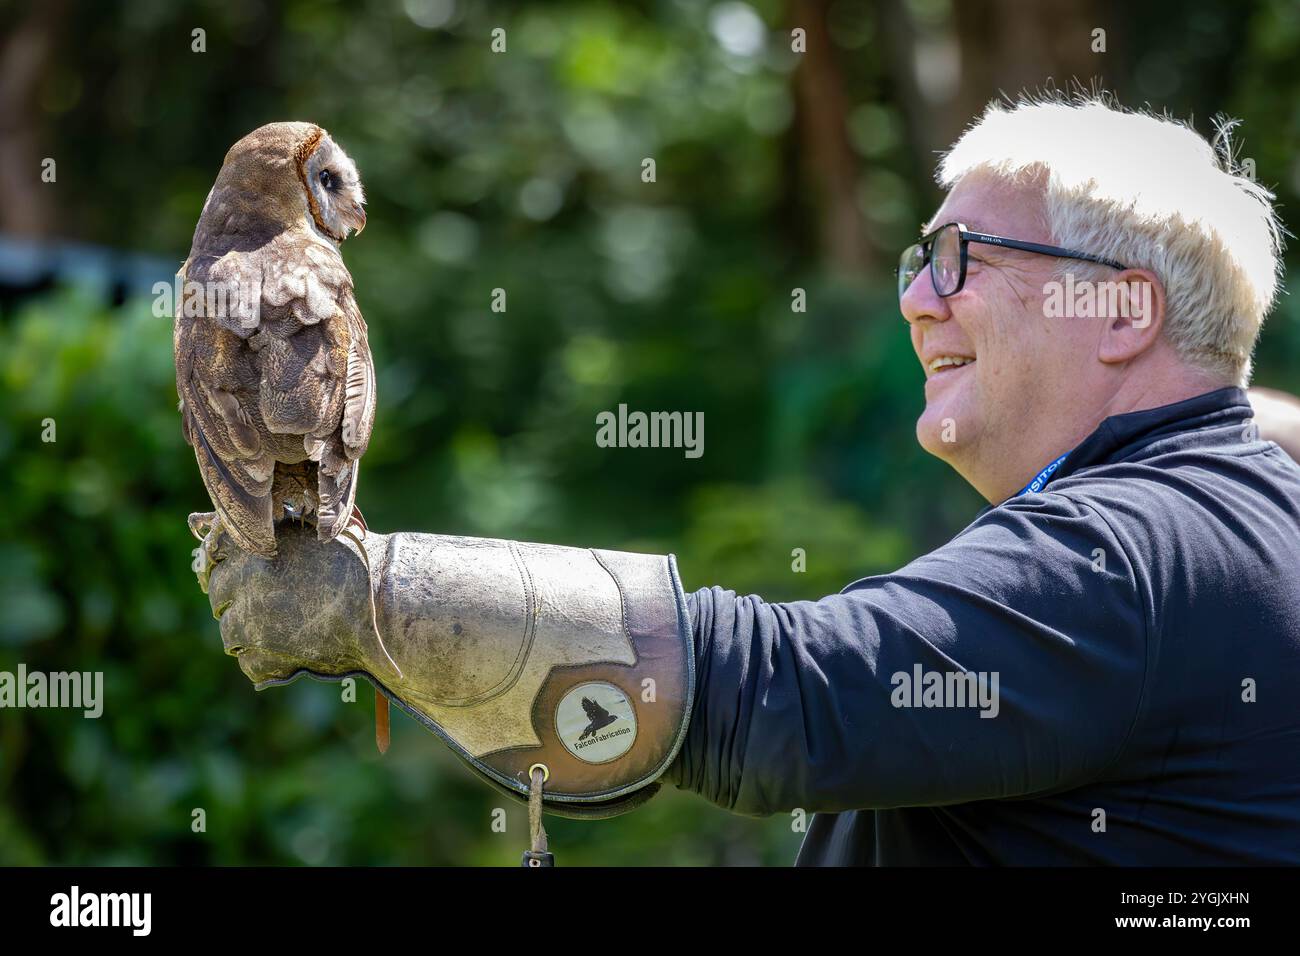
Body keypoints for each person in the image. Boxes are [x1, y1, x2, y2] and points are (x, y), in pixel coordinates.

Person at [198, 94, 1300, 865]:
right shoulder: (1239, 511)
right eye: (920, 260)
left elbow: (786, 693)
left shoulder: (1126, 553)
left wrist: (377, 595)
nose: (918, 299)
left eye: (961, 258)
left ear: (1118, 311)